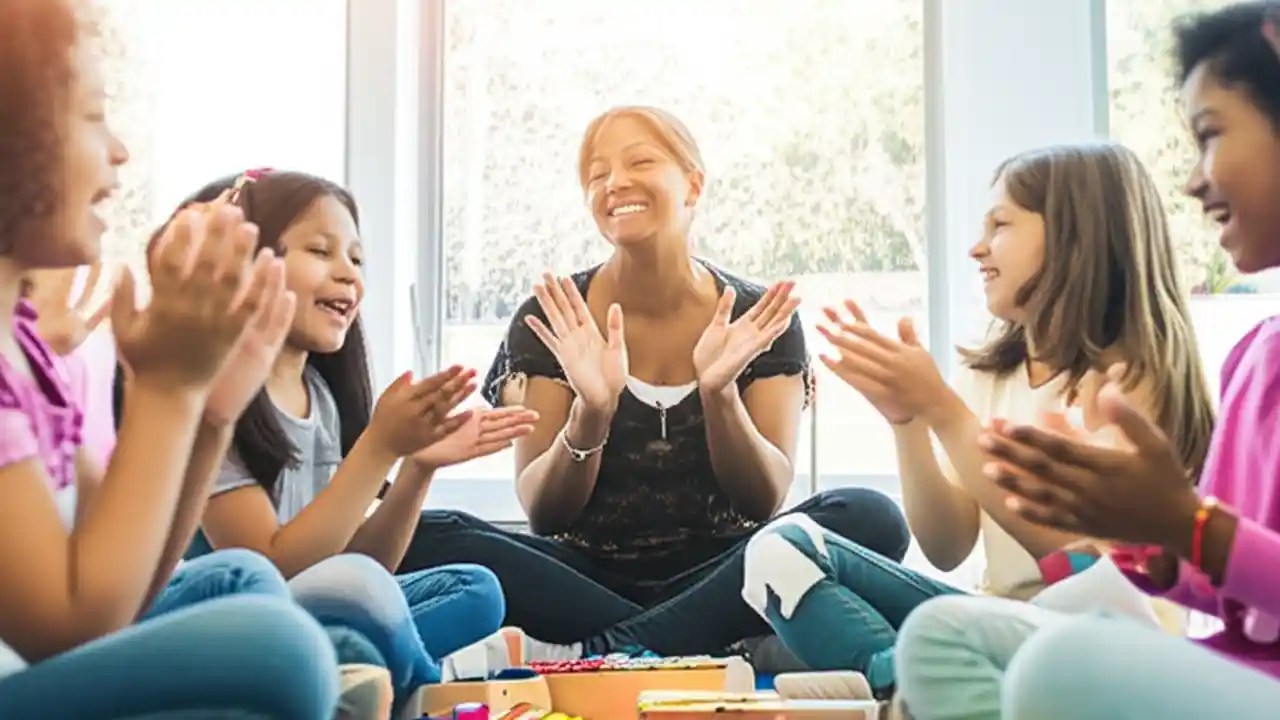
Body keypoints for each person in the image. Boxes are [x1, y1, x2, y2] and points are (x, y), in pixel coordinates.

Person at [399, 105, 911, 661]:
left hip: (726, 568)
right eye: (597, 174)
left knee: (870, 516)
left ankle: (615, 647)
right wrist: (590, 411)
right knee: (424, 534)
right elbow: (545, 515)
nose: (615, 183)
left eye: (640, 161)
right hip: (584, 577)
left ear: (693, 185)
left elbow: (763, 500)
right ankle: (698, 640)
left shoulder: (760, 317)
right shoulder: (552, 315)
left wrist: (720, 395)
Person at [740, 142, 1217, 701]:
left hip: (1100, 639)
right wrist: (910, 423)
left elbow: (1077, 566)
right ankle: (901, 683)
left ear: (1073, 237)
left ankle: (908, 685)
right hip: (985, 626)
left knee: (1036, 607)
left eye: (1001, 225)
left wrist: (942, 409)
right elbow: (947, 546)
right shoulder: (990, 376)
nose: (977, 247)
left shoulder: (1134, 381)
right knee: (779, 551)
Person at [0, 1, 341, 717]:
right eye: (93, 115)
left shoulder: (24, 353)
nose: (119, 151)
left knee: (260, 618)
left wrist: (210, 412)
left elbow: (125, 591)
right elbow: (68, 629)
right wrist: (165, 391)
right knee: (281, 649)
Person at [942, 4, 1280, 718]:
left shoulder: (1137, 371)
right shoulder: (1256, 356)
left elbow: (1218, 551)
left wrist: (1188, 525)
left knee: (1058, 663)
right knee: (940, 636)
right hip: (1231, 669)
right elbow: (1234, 597)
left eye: (1212, 135)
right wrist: (1146, 536)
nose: (1191, 181)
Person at [174, 170, 529, 710]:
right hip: (242, 619)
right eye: (321, 251)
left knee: (476, 588)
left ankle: (376, 670)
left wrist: (416, 468)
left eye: (357, 260)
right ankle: (428, 674)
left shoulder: (321, 391)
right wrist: (378, 447)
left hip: (324, 603)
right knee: (354, 622)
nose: (348, 275)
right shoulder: (221, 396)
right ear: (249, 261)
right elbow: (271, 571)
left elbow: (365, 563)